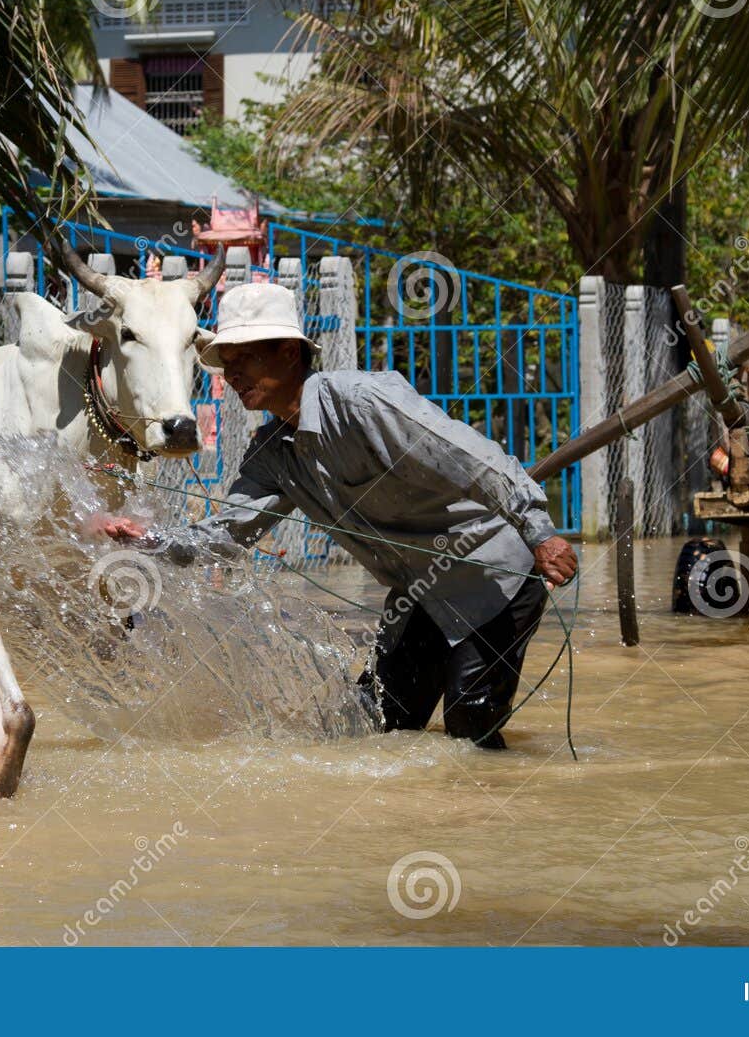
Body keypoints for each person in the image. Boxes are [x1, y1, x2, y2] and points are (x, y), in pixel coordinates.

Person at [96, 282, 578, 748]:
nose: (232, 373)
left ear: (289, 352)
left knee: (470, 731)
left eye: (245, 356)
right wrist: (151, 541)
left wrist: (542, 534)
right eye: (227, 361)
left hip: (493, 576)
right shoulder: (272, 454)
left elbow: (477, 459)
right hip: (420, 593)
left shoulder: (364, 402)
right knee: (374, 730)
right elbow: (226, 535)